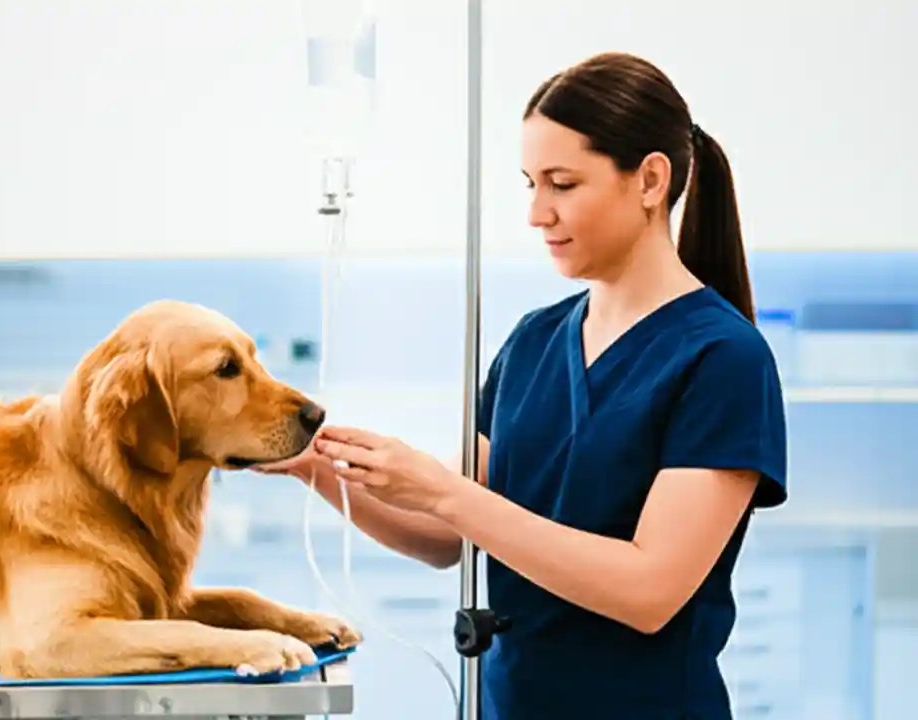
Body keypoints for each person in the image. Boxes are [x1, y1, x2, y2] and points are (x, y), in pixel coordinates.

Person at [256, 51, 788, 719]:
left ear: (650, 179)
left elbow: (650, 590)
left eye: (562, 184)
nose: (537, 213)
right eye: (529, 183)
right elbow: (447, 536)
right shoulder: (534, 342)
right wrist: (316, 468)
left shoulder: (723, 359)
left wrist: (447, 492)